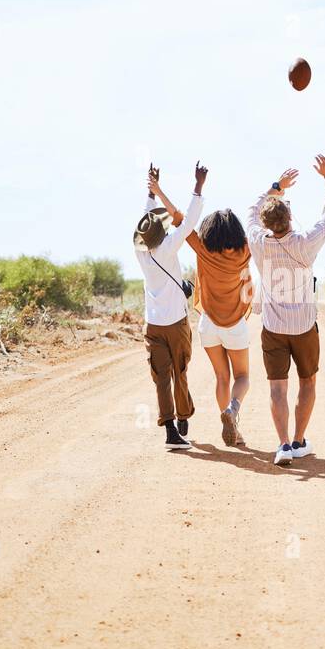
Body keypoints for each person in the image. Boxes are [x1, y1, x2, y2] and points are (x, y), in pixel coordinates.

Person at [246, 154, 325, 466]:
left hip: (273, 328)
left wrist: (276, 187)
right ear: (289, 218)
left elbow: (251, 211)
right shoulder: (305, 242)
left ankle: (283, 445)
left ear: (267, 223)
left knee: (277, 388)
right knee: (308, 382)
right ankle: (300, 440)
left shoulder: (258, 242)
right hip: (304, 327)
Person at [133, 161, 205, 450]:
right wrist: (198, 185)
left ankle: (171, 432)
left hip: (153, 326)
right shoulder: (169, 246)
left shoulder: (140, 254)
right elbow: (189, 221)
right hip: (176, 323)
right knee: (181, 371)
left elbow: (146, 219)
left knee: (161, 378)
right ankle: (184, 415)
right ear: (161, 232)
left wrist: (150, 190)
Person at [185, 208, 253, 447]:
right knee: (242, 376)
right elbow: (257, 222)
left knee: (221, 377)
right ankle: (233, 411)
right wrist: (275, 191)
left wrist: (157, 190)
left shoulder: (202, 250)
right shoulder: (246, 250)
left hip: (208, 323)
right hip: (235, 325)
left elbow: (179, 220)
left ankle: (231, 421)